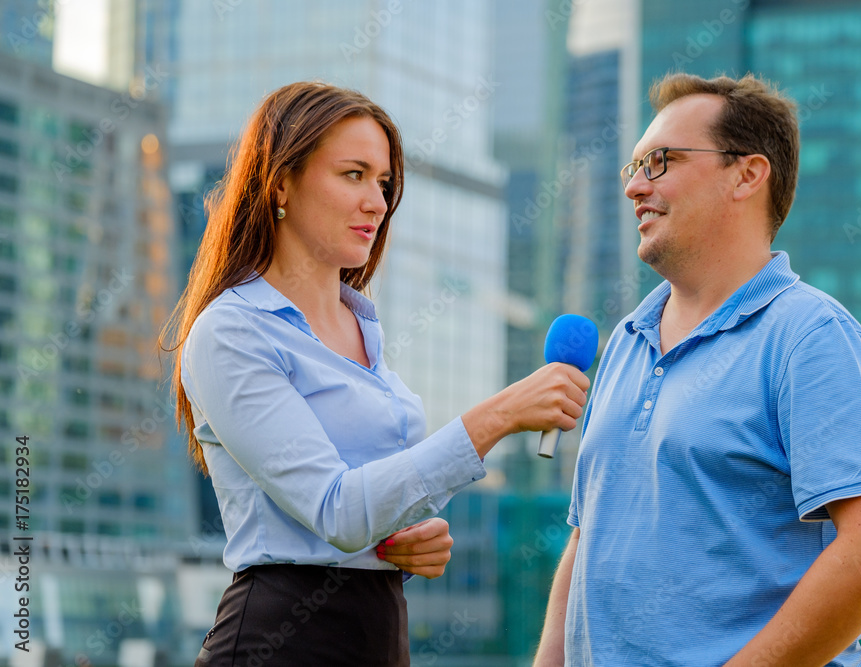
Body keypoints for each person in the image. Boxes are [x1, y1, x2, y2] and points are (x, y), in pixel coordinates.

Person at [159, 81, 590, 667]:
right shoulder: (233, 332)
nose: (377, 202)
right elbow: (338, 511)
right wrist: (500, 415)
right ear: (280, 182)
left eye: (384, 183)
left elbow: (374, 508)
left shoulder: (363, 327)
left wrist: (413, 541)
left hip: (381, 633)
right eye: (353, 174)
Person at [533, 72, 861, 667]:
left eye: (660, 161)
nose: (635, 186)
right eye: (633, 167)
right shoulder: (626, 343)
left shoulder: (811, 337)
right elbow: (588, 539)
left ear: (747, 174)